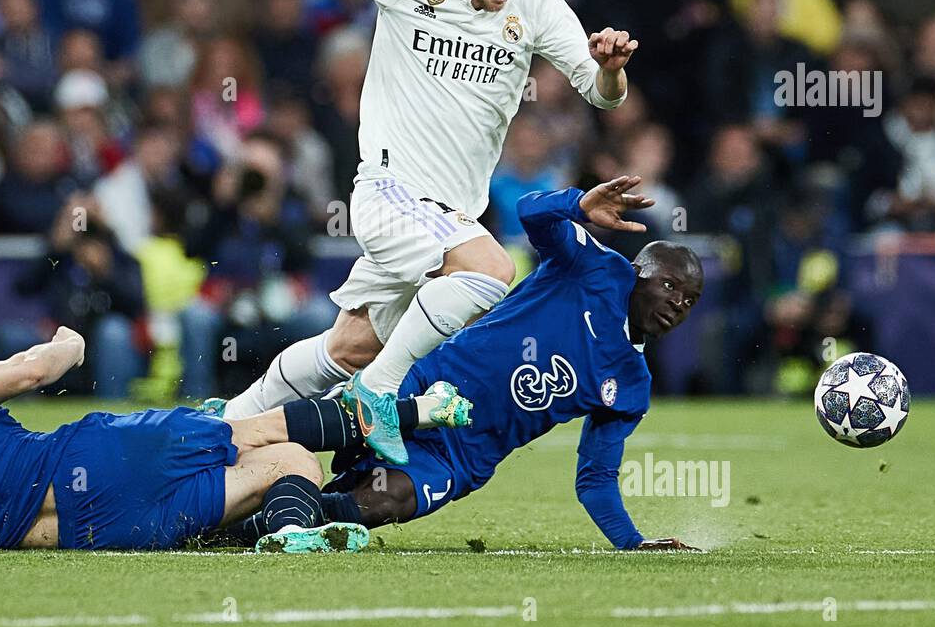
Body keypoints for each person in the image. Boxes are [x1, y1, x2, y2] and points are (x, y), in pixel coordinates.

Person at [216, 0, 639, 468]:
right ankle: (377, 395)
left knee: (349, 346)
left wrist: (610, 67)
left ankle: (226, 424)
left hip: (450, 214)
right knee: (492, 269)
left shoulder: (536, 0)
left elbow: (601, 95)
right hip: (390, 191)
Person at [223, 176, 705, 552]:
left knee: (380, 502)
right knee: (309, 429)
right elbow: (530, 212)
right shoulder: (594, 266)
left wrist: (632, 541)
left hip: (461, 456)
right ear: (639, 272)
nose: (677, 304)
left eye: (689, 301)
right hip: (428, 382)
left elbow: (595, 478)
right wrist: (578, 204)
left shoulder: (632, 384)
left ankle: (243, 526)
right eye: (669, 286)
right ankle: (212, 440)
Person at [0, 327, 470, 556]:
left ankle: (289, 534)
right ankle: (419, 410)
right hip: (87, 460)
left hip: (95, 534)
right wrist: (68, 341)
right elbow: (37, 369)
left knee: (288, 463)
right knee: (258, 429)